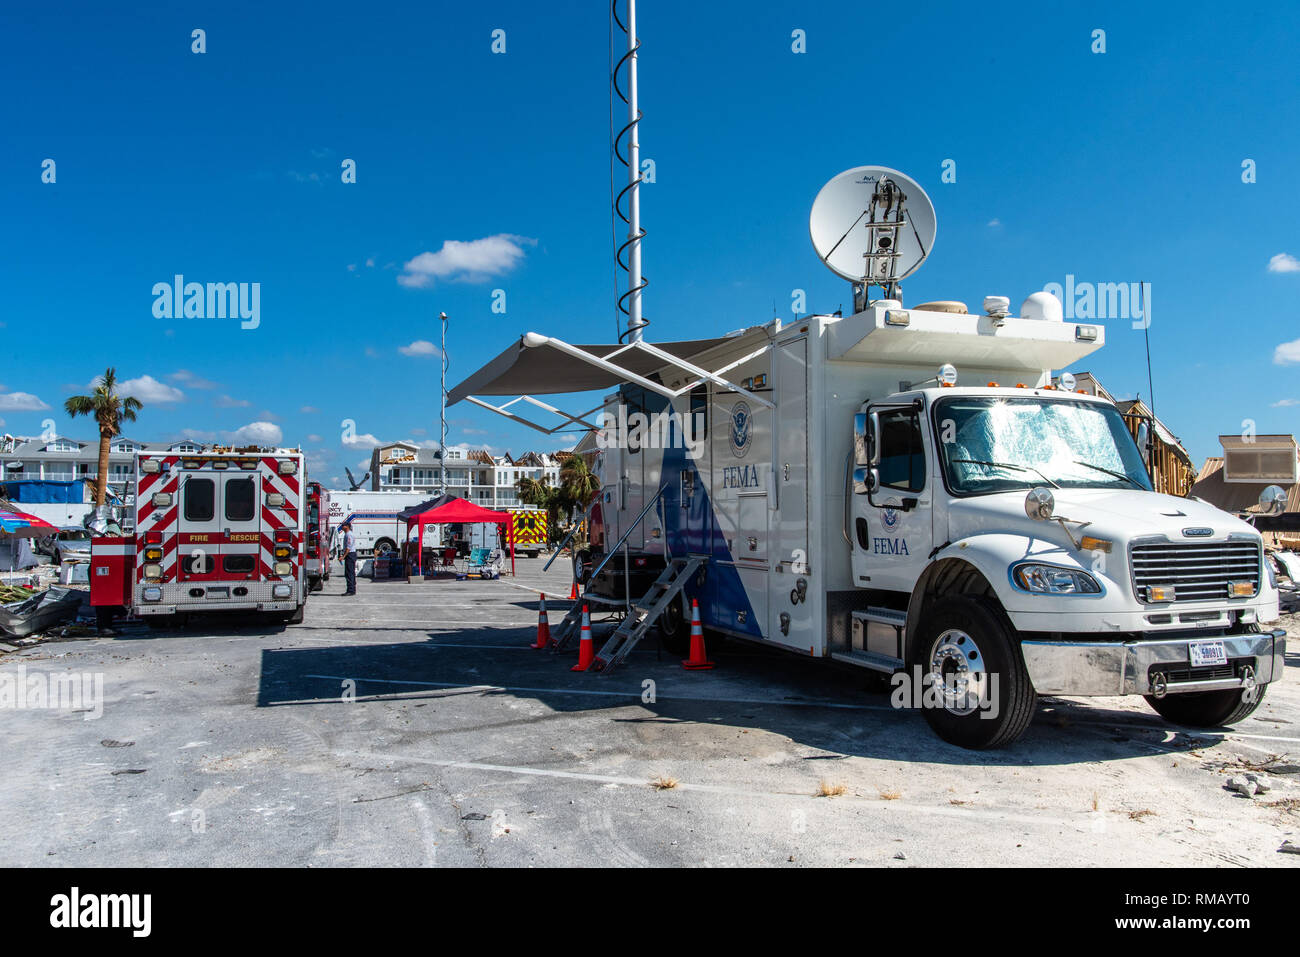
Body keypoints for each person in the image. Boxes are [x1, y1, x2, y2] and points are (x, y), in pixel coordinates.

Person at [338, 520, 357, 595]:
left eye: (343, 525)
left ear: (347, 527)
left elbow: (349, 547)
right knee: (349, 572)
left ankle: (351, 590)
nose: (342, 527)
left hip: (350, 555)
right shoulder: (347, 534)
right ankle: (351, 589)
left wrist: (343, 556)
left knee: (349, 573)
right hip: (350, 554)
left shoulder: (349, 535)